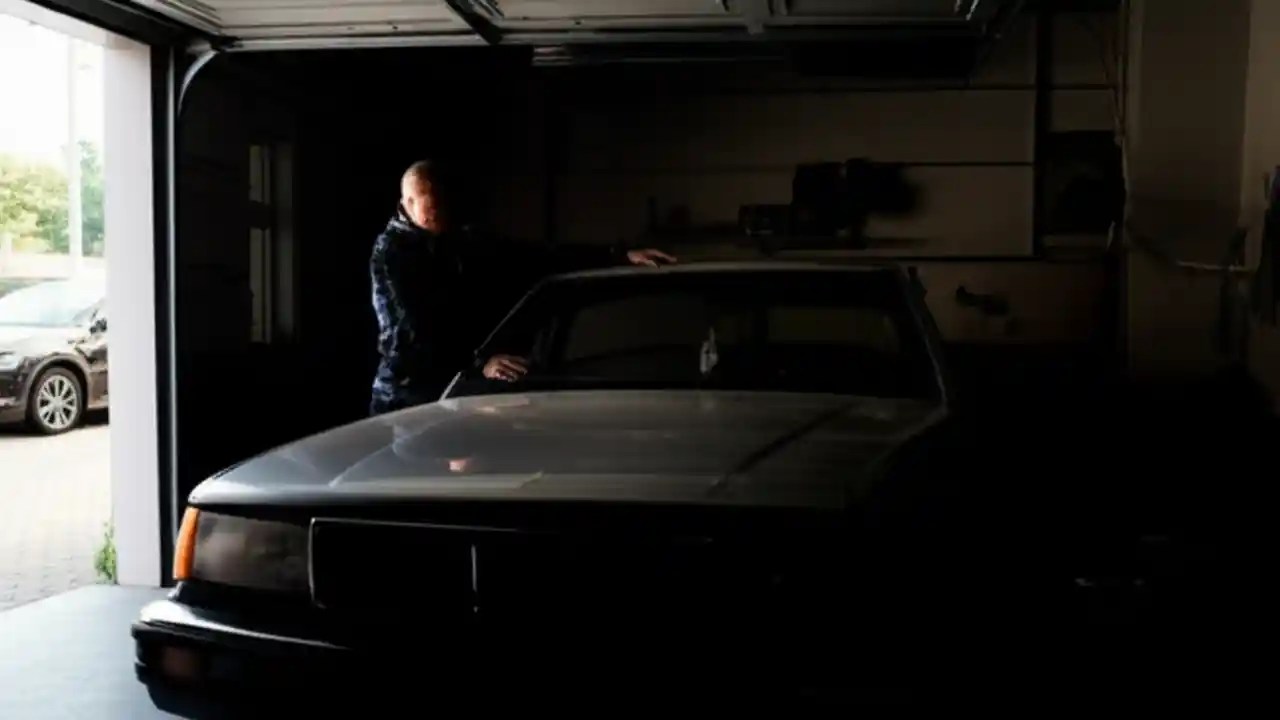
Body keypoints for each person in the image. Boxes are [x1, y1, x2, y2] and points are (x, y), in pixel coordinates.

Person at [369, 160, 675, 416]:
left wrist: (617, 255)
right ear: (408, 203)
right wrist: (477, 364)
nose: (442, 214)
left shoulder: (460, 240)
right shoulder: (392, 255)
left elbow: (537, 256)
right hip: (404, 400)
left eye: (445, 204)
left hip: (456, 392)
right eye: (432, 208)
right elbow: (413, 333)